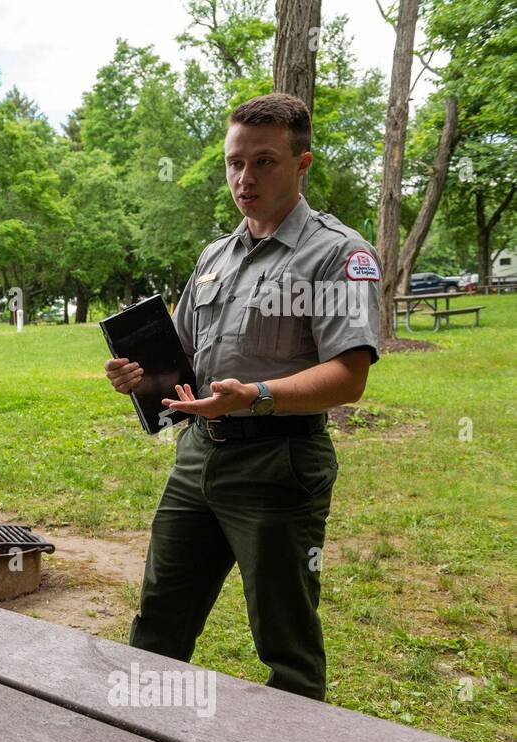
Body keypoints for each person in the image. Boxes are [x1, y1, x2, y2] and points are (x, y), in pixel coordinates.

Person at [104, 93, 381, 701]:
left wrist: (255, 395)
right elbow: (180, 358)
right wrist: (135, 374)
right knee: (158, 622)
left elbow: (349, 376)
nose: (244, 178)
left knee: (286, 645)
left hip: (279, 464)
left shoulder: (338, 254)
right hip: (198, 459)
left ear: (302, 164)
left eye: (264, 162)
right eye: (234, 163)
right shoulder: (214, 257)